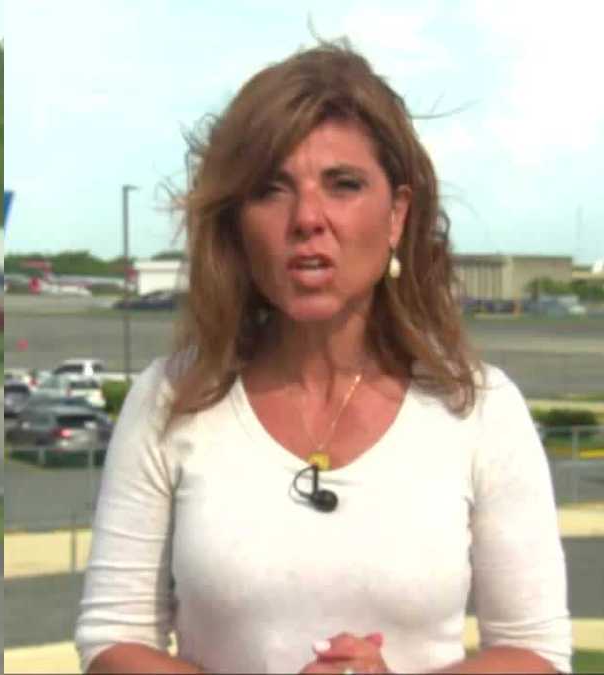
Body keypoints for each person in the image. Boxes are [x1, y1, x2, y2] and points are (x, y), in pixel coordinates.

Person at [75, 41, 570, 674]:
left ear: (396, 214)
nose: (308, 218)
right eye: (271, 190)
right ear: (236, 222)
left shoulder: (481, 409)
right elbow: (111, 642)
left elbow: (537, 653)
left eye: (343, 185)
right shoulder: (171, 399)